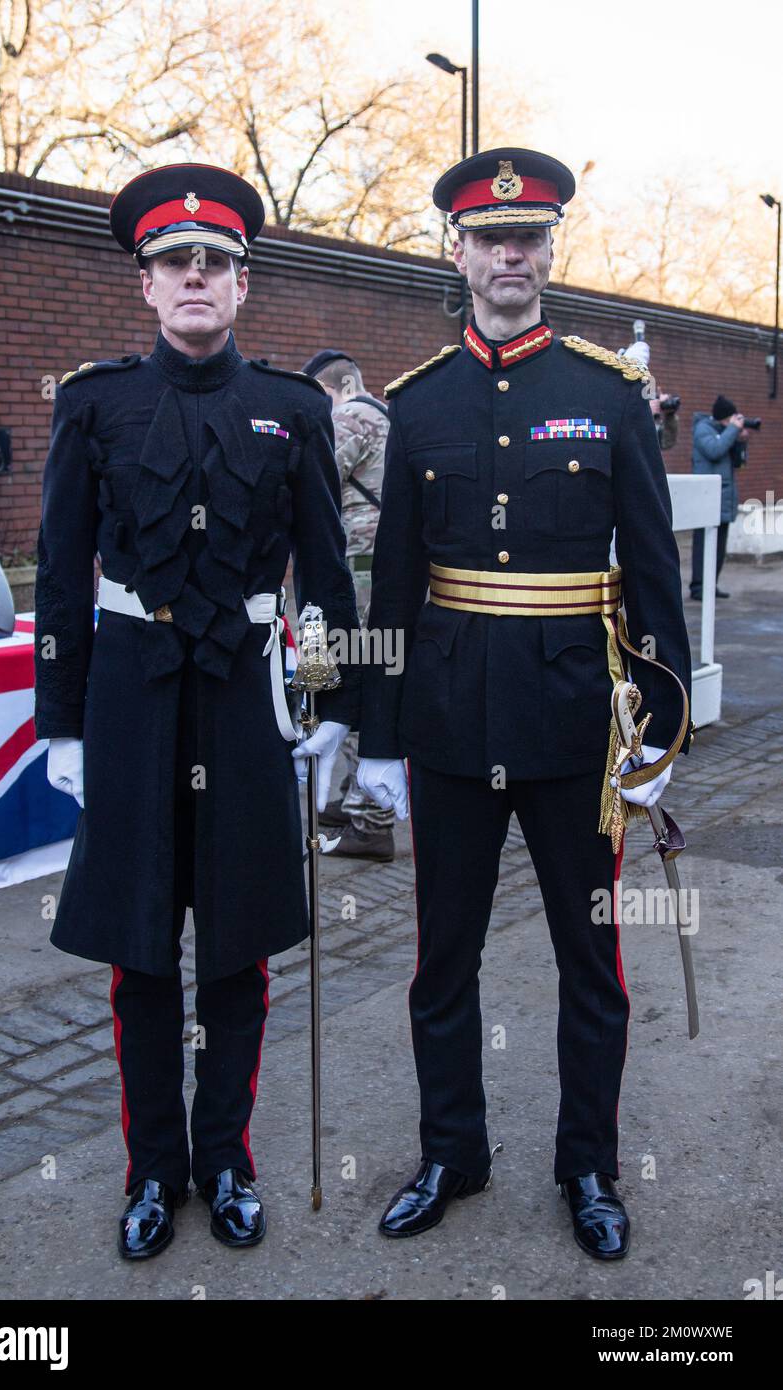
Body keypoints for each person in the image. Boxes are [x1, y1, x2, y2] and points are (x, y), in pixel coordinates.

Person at [356, 148, 692, 1259]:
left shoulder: (603, 395)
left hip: (572, 724)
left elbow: (649, 568)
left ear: (547, 249)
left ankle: (586, 1166)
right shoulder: (417, 403)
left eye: (527, 235)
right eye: (488, 237)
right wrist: (371, 732)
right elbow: (392, 578)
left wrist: (661, 729)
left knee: (588, 959)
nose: (509, 252)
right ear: (455, 252)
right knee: (440, 957)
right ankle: (452, 1151)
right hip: (449, 720)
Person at [35, 164, 357, 1260]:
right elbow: (58, 569)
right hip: (129, 702)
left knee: (236, 947)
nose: (195, 278)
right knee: (141, 953)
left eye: (214, 263)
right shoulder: (92, 403)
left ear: (241, 284)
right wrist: (61, 721)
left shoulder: (294, 408)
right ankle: (150, 1171)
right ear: (145, 284)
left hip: (244, 702)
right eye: (175, 262)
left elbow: (328, 571)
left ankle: (225, 1161)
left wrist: (336, 706)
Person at [300, 348, 394, 861]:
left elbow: (313, 481)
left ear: (335, 389)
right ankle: (356, 797)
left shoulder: (351, 415)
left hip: (359, 571)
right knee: (370, 673)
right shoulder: (386, 416)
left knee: (358, 677)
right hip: (375, 571)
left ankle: (371, 821)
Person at [689, 394, 748, 600]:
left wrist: (741, 441)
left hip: (723, 498)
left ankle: (711, 585)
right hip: (706, 498)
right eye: (730, 419)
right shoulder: (703, 429)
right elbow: (714, 450)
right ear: (722, 418)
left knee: (719, 546)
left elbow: (739, 463)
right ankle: (698, 587)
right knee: (703, 544)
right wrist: (732, 431)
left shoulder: (725, 433)